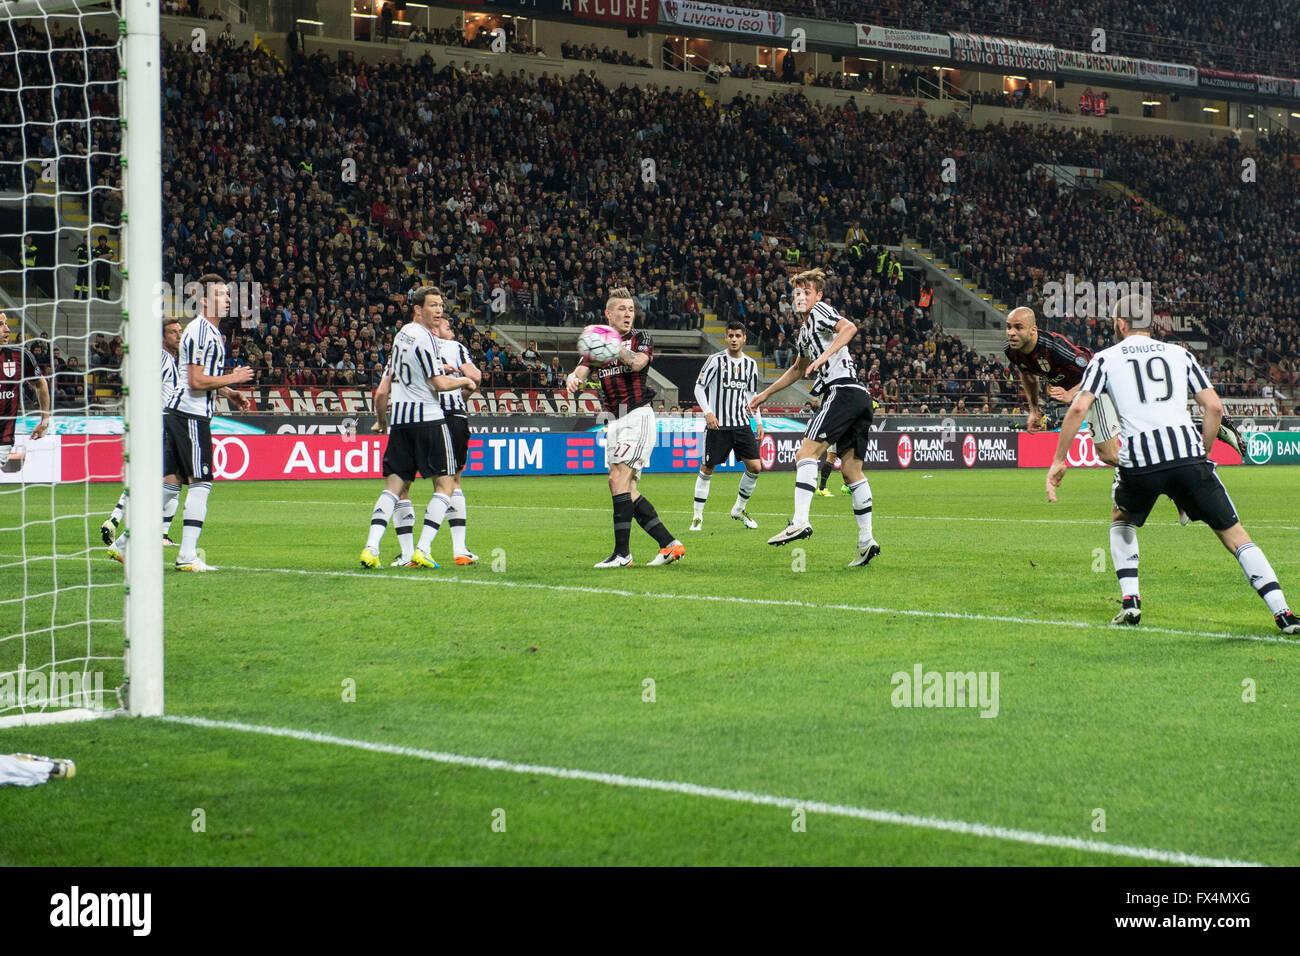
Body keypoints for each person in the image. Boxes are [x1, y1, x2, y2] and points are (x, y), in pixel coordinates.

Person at [1047, 295, 1299, 636]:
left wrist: (1059, 460)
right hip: (1187, 457)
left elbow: (1078, 410)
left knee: (1121, 519)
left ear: (1120, 324)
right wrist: (1203, 455)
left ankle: (1131, 602)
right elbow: (1214, 409)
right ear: (1151, 323)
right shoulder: (1180, 354)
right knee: (1235, 536)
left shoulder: (1105, 359)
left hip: (1141, 462)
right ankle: (1283, 614)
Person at [751, 268, 879, 567]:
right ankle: (866, 541)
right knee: (851, 472)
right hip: (859, 397)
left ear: (818, 295)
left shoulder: (821, 311)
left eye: (806, 292)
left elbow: (849, 328)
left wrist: (823, 358)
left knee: (806, 453)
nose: (801, 297)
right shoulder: (806, 331)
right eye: (797, 293)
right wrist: (765, 394)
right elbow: (798, 368)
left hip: (842, 392)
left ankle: (800, 521)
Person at [566, 287, 684, 568]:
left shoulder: (640, 338)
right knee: (626, 489)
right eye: (621, 309)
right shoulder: (595, 346)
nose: (628, 314)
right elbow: (580, 371)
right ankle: (669, 544)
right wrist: (573, 378)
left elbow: (638, 364)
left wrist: (614, 346)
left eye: (631, 309)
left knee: (617, 479)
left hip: (637, 416)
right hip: (614, 420)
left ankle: (622, 555)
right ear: (608, 314)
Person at [361, 286, 473, 569]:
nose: (438, 311)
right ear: (418, 309)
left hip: (400, 422)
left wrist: (382, 421)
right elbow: (439, 384)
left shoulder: (400, 337)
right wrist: (464, 381)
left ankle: (371, 547)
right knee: (447, 482)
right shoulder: (426, 339)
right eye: (433, 305)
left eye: (440, 306)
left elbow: (382, 392)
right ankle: (422, 549)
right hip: (428, 420)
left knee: (395, 486)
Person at [163, 276, 253, 572]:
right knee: (201, 483)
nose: (228, 299)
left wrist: (229, 392)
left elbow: (200, 376)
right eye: (221, 294)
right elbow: (197, 380)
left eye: (228, 295)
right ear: (204, 299)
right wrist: (234, 378)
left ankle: (125, 542)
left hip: (182, 412)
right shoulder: (202, 331)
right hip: (191, 415)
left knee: (172, 484)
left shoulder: (208, 331)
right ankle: (187, 555)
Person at [383, 302, 482, 567]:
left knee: (402, 486)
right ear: (440, 327)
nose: (450, 328)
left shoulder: (407, 343)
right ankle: (457, 549)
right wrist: (464, 389)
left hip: (413, 418)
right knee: (452, 482)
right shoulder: (455, 347)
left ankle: (407, 554)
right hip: (449, 417)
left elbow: (384, 388)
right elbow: (476, 376)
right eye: (448, 325)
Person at [102, 317, 184, 558]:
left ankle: (121, 522)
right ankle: (140, 532)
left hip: (159, 425)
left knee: (168, 481)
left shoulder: (169, 360)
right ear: (162, 338)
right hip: (159, 426)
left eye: (180, 331)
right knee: (169, 482)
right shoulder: (161, 358)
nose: (178, 336)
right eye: (173, 332)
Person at [690, 320, 763, 531]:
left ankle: (739, 509)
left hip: (741, 424)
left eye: (737, 336)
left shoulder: (751, 365)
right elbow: (698, 387)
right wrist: (708, 412)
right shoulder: (715, 360)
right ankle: (697, 516)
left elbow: (751, 395)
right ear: (726, 337)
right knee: (707, 468)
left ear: (744, 338)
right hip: (718, 426)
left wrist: (758, 421)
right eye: (730, 335)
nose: (733, 339)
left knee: (755, 467)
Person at [0, 312, 51, 471]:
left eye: (7, 323)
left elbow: (41, 384)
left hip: (3, 440)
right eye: (0, 325)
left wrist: (44, 421)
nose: (7, 329)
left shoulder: (19, 356)